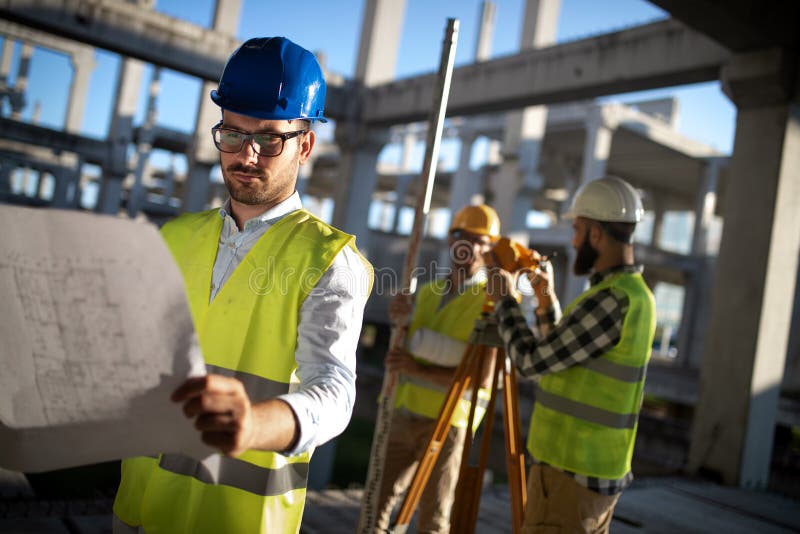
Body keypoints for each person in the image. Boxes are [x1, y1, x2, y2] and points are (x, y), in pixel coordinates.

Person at [112, 37, 372, 534]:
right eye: (232, 134)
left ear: (306, 145)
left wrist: (255, 424)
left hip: (236, 520)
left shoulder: (330, 261)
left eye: (270, 139)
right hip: (140, 509)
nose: (246, 154)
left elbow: (335, 393)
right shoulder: (174, 237)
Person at [486, 176, 656, 534]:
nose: (574, 240)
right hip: (589, 472)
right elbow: (563, 354)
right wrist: (546, 301)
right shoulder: (627, 294)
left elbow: (532, 361)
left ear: (596, 234)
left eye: (578, 229)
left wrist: (503, 296)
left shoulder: (611, 299)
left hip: (571, 473)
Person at [374, 205, 501, 533]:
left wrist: (415, 368)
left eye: (481, 241)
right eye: (463, 237)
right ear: (450, 240)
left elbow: (484, 379)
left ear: (491, 249)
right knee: (375, 505)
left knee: (433, 519)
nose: (471, 246)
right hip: (403, 413)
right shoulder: (427, 294)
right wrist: (399, 318)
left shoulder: (491, 301)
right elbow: (408, 346)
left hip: (449, 424)